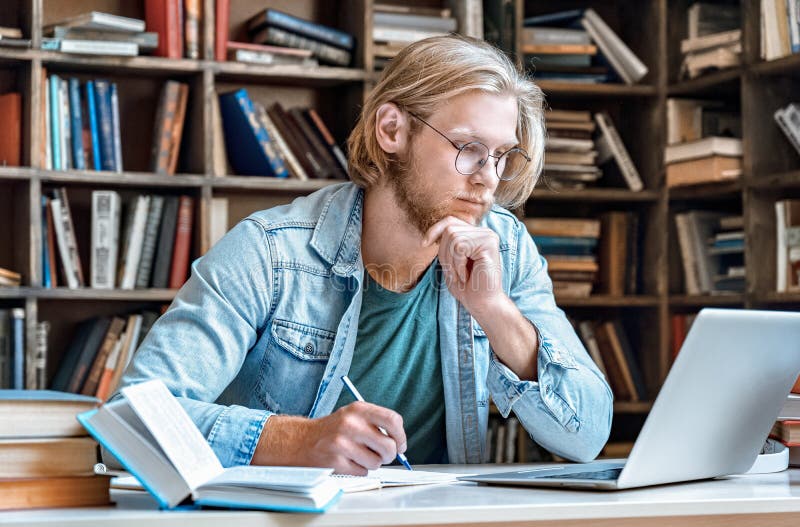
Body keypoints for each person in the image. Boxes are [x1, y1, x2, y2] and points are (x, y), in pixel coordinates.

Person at [116, 35, 613, 475]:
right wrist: (299, 441)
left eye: (502, 155)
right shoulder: (269, 251)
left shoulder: (504, 251)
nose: (487, 177)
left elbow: (586, 437)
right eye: (468, 147)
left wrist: (495, 311)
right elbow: (130, 422)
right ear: (392, 130)